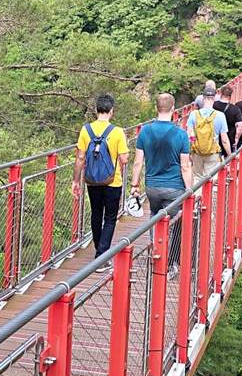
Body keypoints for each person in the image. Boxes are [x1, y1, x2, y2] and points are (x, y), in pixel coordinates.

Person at [130, 93, 193, 272]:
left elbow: (138, 162)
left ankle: (155, 252)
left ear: (156, 108)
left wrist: (134, 186)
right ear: (173, 109)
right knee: (172, 223)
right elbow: (185, 166)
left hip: (152, 187)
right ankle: (169, 262)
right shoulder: (181, 134)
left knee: (154, 216)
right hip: (174, 187)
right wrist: (189, 190)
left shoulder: (145, 131)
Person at [72, 94, 130, 271]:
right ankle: (101, 257)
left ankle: (99, 249)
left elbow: (80, 157)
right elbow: (124, 159)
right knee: (110, 218)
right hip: (113, 181)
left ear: (96, 110)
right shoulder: (117, 132)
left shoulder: (86, 130)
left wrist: (76, 181)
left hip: (92, 180)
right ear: (111, 111)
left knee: (96, 214)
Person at [186, 85, 230, 179]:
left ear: (203, 98)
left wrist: (189, 152)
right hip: (213, 152)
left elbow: (189, 136)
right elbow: (224, 140)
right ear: (214, 99)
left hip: (197, 152)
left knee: (197, 177)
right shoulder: (220, 115)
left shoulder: (193, 114)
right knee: (211, 178)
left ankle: (198, 189)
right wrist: (229, 155)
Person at [213, 85, 242, 155]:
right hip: (229, 139)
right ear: (230, 96)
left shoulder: (213, 105)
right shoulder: (235, 109)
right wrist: (236, 138)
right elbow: (240, 125)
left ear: (221, 94)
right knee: (228, 158)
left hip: (213, 138)